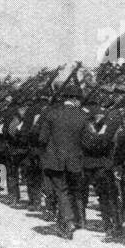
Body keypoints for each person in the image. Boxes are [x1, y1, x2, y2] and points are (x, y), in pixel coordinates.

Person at [38, 88, 89, 240]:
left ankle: (67, 221)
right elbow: (87, 141)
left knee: (61, 191)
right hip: (75, 160)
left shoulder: (52, 114)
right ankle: (79, 220)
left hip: (55, 160)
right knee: (74, 190)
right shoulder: (82, 116)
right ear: (75, 99)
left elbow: (42, 138)